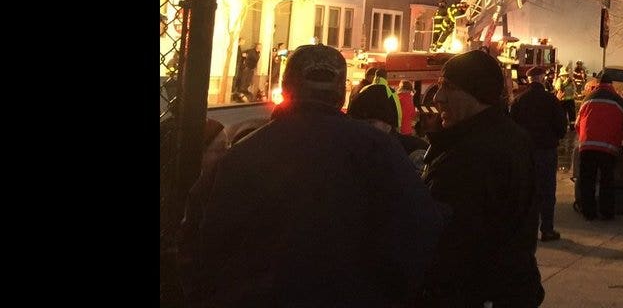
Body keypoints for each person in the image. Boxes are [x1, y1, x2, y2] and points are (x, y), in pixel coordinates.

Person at [178, 44, 444, 307]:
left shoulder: (244, 153)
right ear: (341, 94)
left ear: (286, 88)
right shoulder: (380, 151)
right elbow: (419, 228)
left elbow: (202, 237)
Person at [419, 49, 544, 307]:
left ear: (476, 94)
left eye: (449, 87)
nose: (438, 97)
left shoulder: (476, 155)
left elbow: (457, 243)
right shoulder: (506, 140)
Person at [509, 65, 568, 242]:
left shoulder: (519, 101)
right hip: (546, 151)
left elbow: (511, 127)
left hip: (526, 153)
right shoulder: (551, 100)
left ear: (528, 80)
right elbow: (561, 126)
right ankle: (547, 230)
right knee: (547, 191)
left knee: (526, 190)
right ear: (542, 78)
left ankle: (525, 230)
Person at [574, 74, 623, 221]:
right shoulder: (618, 100)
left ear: (598, 84)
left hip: (587, 147)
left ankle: (588, 212)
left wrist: (583, 140)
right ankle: (606, 212)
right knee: (607, 181)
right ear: (611, 85)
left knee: (587, 180)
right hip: (608, 148)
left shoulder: (587, 99)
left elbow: (577, 125)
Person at [348, 80, 430, 157]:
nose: (364, 129)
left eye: (370, 123)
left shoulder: (415, 152)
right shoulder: (361, 151)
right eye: (359, 124)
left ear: (388, 123)